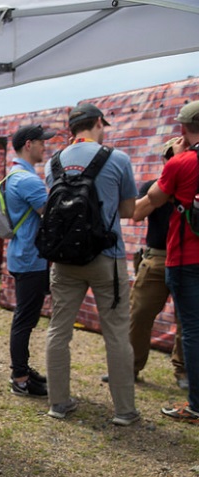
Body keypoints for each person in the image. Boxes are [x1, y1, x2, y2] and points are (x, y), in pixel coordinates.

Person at [43, 102, 139, 426]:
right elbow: (128, 210)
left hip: (64, 259)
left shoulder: (52, 163)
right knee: (116, 333)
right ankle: (124, 410)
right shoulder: (118, 159)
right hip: (106, 259)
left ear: (71, 129)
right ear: (99, 123)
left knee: (58, 330)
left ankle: (58, 403)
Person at [134, 100, 199, 423]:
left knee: (190, 329)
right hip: (170, 259)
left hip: (184, 259)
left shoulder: (180, 165)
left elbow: (141, 207)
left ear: (184, 130)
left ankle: (194, 396)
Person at [109, 139, 186, 388]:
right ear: (165, 161)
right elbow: (136, 213)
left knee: (187, 320)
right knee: (138, 315)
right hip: (157, 258)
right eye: (171, 157)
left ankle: (183, 371)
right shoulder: (155, 186)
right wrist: (165, 189)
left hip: (188, 259)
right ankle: (129, 368)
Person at [5, 124, 55, 397]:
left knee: (26, 317)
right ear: (28, 144)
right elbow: (51, 215)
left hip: (23, 255)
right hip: (30, 258)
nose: (44, 146)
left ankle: (22, 371)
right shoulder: (26, 180)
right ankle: (21, 378)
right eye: (40, 142)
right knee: (25, 319)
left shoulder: (17, 175)